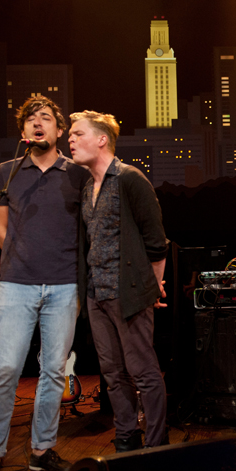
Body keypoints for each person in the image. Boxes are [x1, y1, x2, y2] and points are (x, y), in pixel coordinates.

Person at [0, 96, 90, 471]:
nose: (37, 123)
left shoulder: (76, 173)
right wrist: (25, 257)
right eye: (30, 119)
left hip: (64, 286)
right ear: (23, 131)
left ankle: (42, 451)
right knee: (6, 369)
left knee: (53, 372)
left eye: (45, 118)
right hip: (15, 284)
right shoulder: (8, 173)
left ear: (60, 131)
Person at [69, 111, 170, 451]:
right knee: (113, 375)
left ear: (101, 139)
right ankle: (126, 436)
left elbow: (156, 241)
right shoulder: (87, 188)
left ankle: (156, 443)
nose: (70, 139)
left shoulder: (129, 179)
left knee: (143, 372)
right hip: (98, 295)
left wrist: (152, 287)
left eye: (78, 133)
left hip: (128, 294)